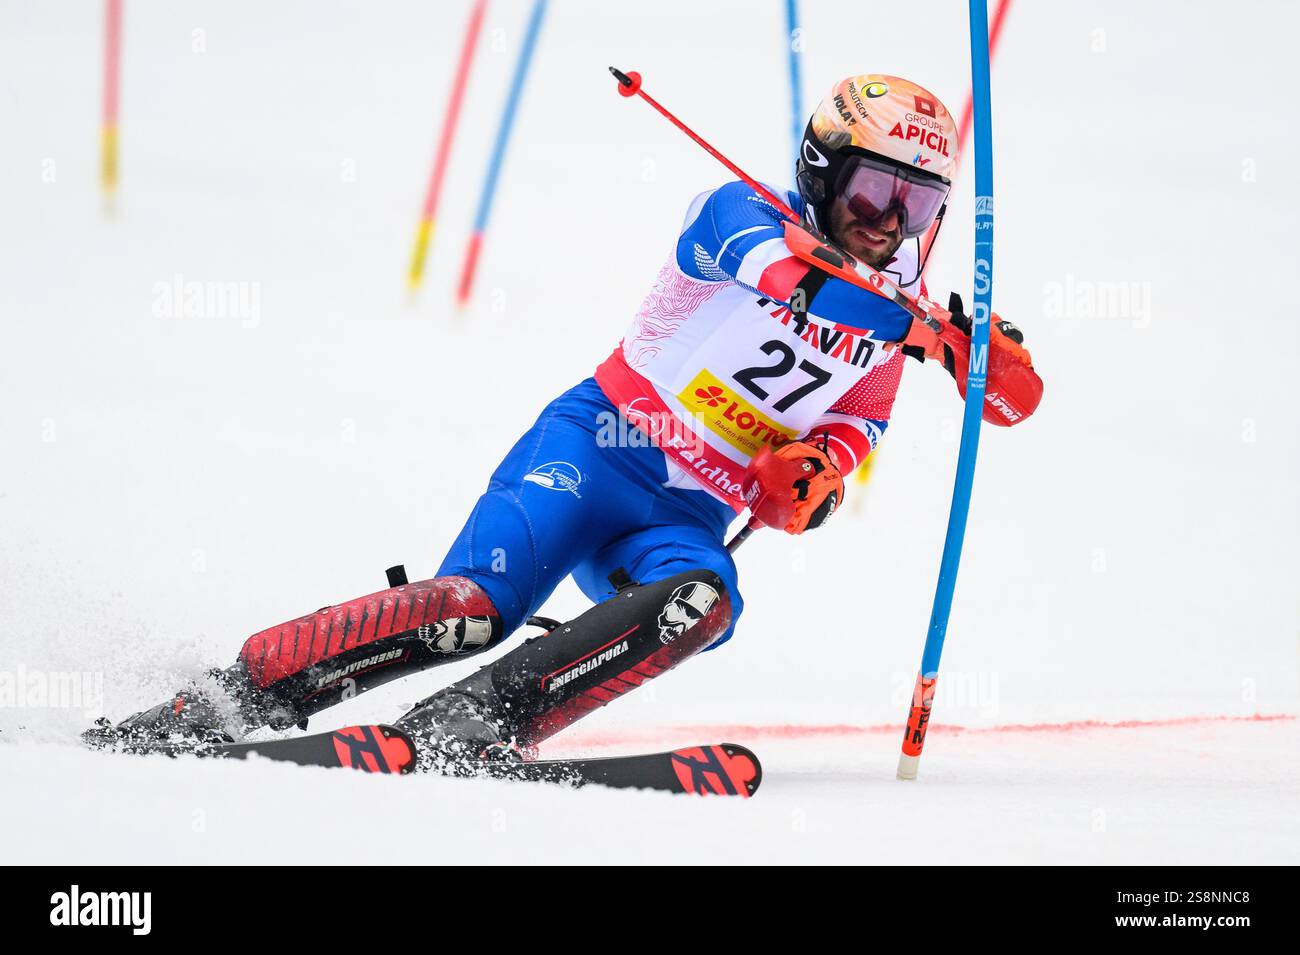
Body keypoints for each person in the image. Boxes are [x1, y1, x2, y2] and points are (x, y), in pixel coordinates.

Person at [89, 75, 1041, 769]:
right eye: (875, 191)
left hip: (685, 518)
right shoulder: (738, 212)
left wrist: (821, 475)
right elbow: (791, 282)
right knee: (471, 611)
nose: (887, 223)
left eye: (916, 205)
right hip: (594, 453)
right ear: (821, 170)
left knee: (704, 601)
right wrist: (924, 332)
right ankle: (238, 689)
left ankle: (481, 721)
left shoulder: (904, 305)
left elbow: (882, 412)